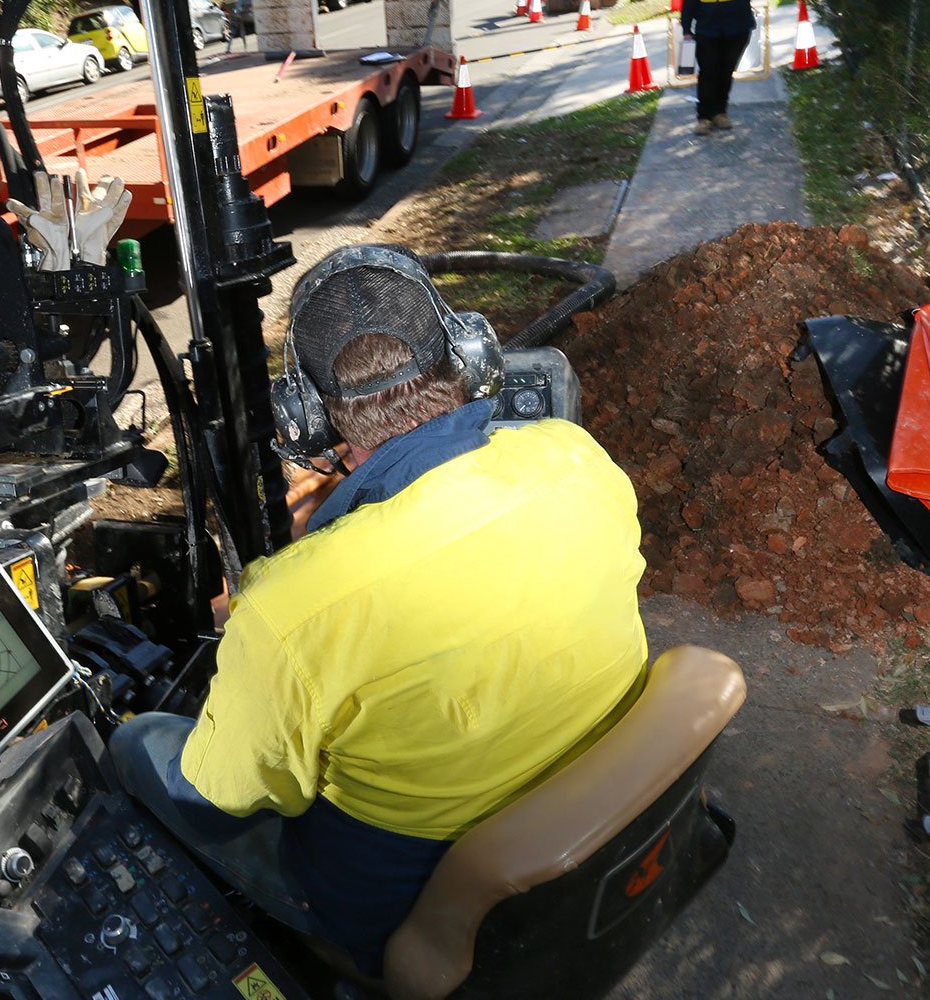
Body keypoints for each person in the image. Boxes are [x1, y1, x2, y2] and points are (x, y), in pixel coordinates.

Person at [108, 244, 649, 979]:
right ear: (469, 356)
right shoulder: (578, 457)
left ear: (302, 418)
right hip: (590, 809)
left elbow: (218, 801)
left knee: (139, 744)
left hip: (403, 903)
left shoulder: (293, 605)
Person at [681, 0, 771, 136]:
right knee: (708, 70)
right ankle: (704, 117)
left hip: (737, 22)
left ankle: (720, 113)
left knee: (726, 69)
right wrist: (686, 29)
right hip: (708, 24)